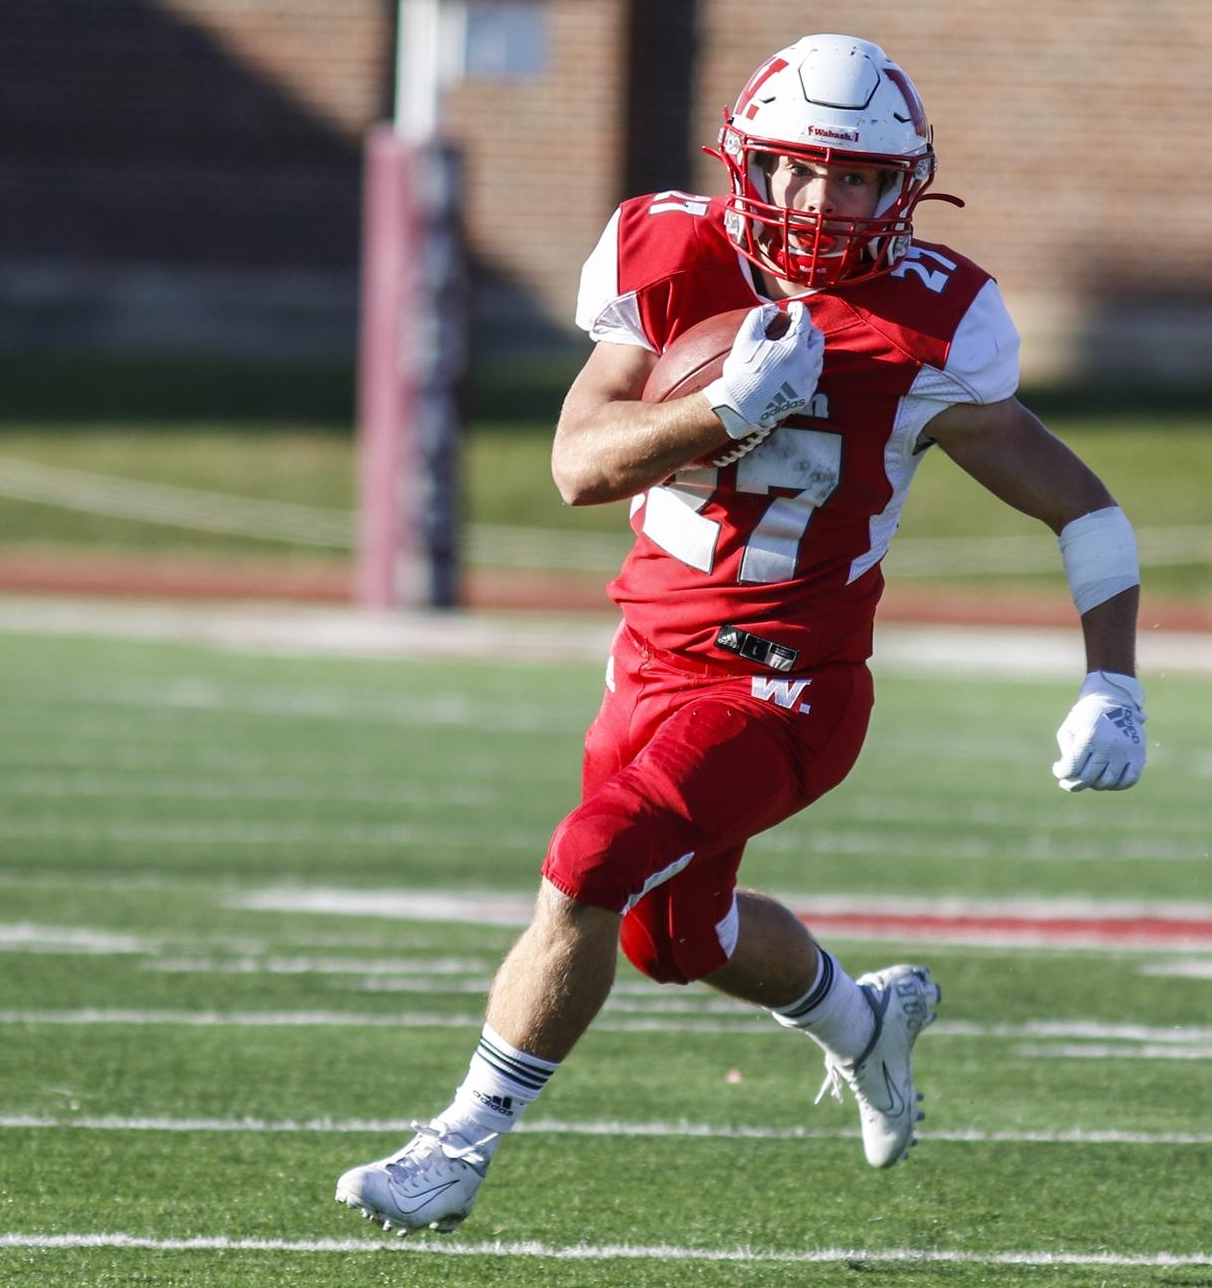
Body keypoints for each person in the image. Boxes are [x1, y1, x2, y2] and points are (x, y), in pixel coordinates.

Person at [335, 32, 1146, 1235]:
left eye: (858, 178)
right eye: (799, 169)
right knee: (674, 935)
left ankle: (456, 1147)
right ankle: (867, 1025)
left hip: (788, 687)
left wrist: (1110, 682)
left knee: (588, 861)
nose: (823, 202)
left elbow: (1081, 506)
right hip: (647, 665)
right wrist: (717, 410)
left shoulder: (930, 324)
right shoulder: (671, 254)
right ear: (745, 163)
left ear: (903, 188)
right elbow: (576, 464)